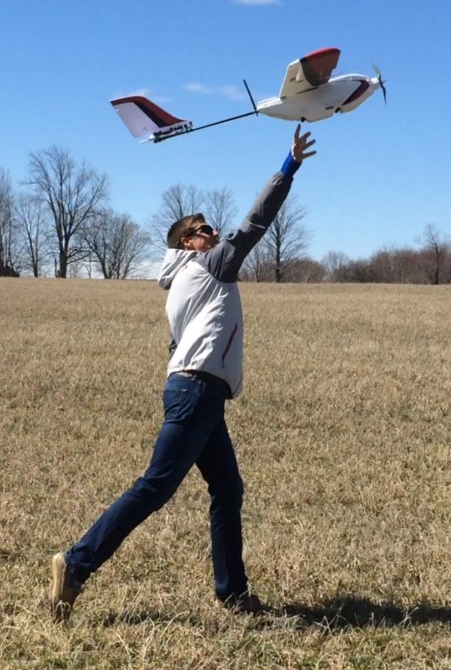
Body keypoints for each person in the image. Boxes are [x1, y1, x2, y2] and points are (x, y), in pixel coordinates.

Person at [48, 125, 317, 621]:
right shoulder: (209, 266)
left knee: (228, 489)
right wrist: (288, 166)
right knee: (155, 487)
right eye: (205, 231)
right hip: (197, 393)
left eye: (213, 230)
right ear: (188, 243)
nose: (215, 234)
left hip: (197, 393)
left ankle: (233, 595)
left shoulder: (180, 283)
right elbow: (255, 224)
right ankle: (77, 563)